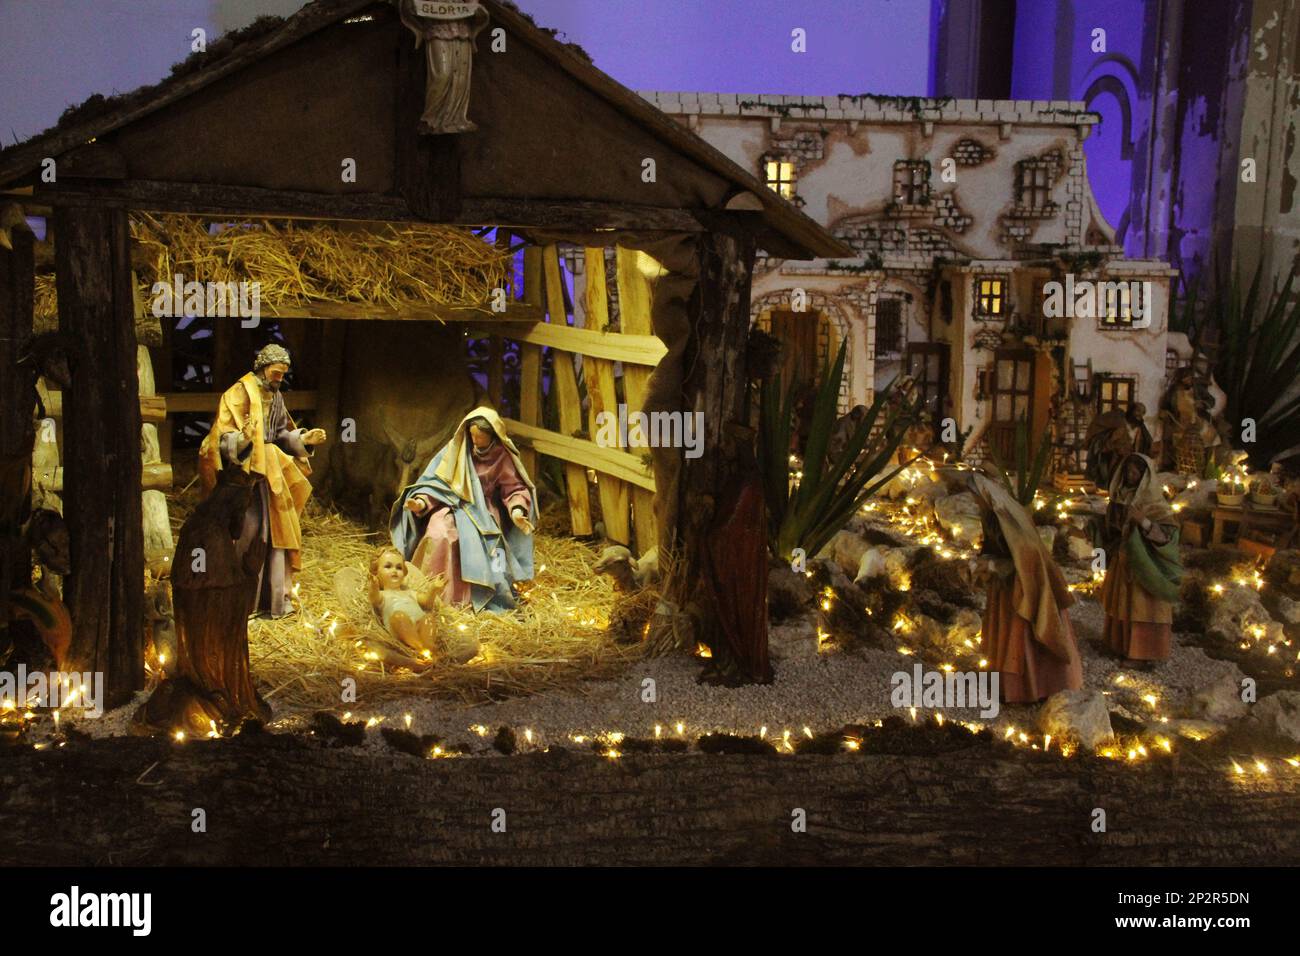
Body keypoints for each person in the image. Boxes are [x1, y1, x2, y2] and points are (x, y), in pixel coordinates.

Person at [198, 344, 326, 617]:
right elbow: (221, 437)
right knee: (249, 530)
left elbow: (280, 432)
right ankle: (237, 598)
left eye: (282, 375)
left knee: (276, 535)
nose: (280, 379)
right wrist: (242, 440)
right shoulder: (238, 393)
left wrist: (303, 439)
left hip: (270, 479)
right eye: (276, 373)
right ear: (263, 368)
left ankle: (271, 601)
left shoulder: (275, 396)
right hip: (243, 479)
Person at [390, 407, 536, 612]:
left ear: (492, 436)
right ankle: (427, 592)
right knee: (439, 532)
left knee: (480, 545)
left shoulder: (501, 456)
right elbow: (435, 482)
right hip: (451, 505)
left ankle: (464, 600)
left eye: (480, 438)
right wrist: (421, 502)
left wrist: (517, 510)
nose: (475, 442)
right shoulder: (457, 449)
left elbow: (514, 488)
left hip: (483, 513)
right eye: (472, 436)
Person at [963, 469, 1082, 703]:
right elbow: (996, 549)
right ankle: (1009, 686)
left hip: (1026, 590)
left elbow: (1026, 559)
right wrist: (984, 562)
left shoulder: (1008, 518)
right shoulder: (991, 516)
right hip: (1006, 589)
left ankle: (1034, 687)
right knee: (1007, 636)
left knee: (1022, 637)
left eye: (975, 496)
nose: (974, 501)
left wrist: (994, 567)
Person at [1100, 453, 1183, 663]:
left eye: (1136, 471)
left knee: (1144, 609)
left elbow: (1168, 535)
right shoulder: (1120, 496)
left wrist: (1143, 522)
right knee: (1122, 605)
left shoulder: (1155, 503)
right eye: (1128, 470)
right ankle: (1121, 645)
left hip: (1146, 565)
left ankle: (1143, 653)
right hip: (1124, 560)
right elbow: (1111, 527)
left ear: (1146, 475)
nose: (1131, 474)